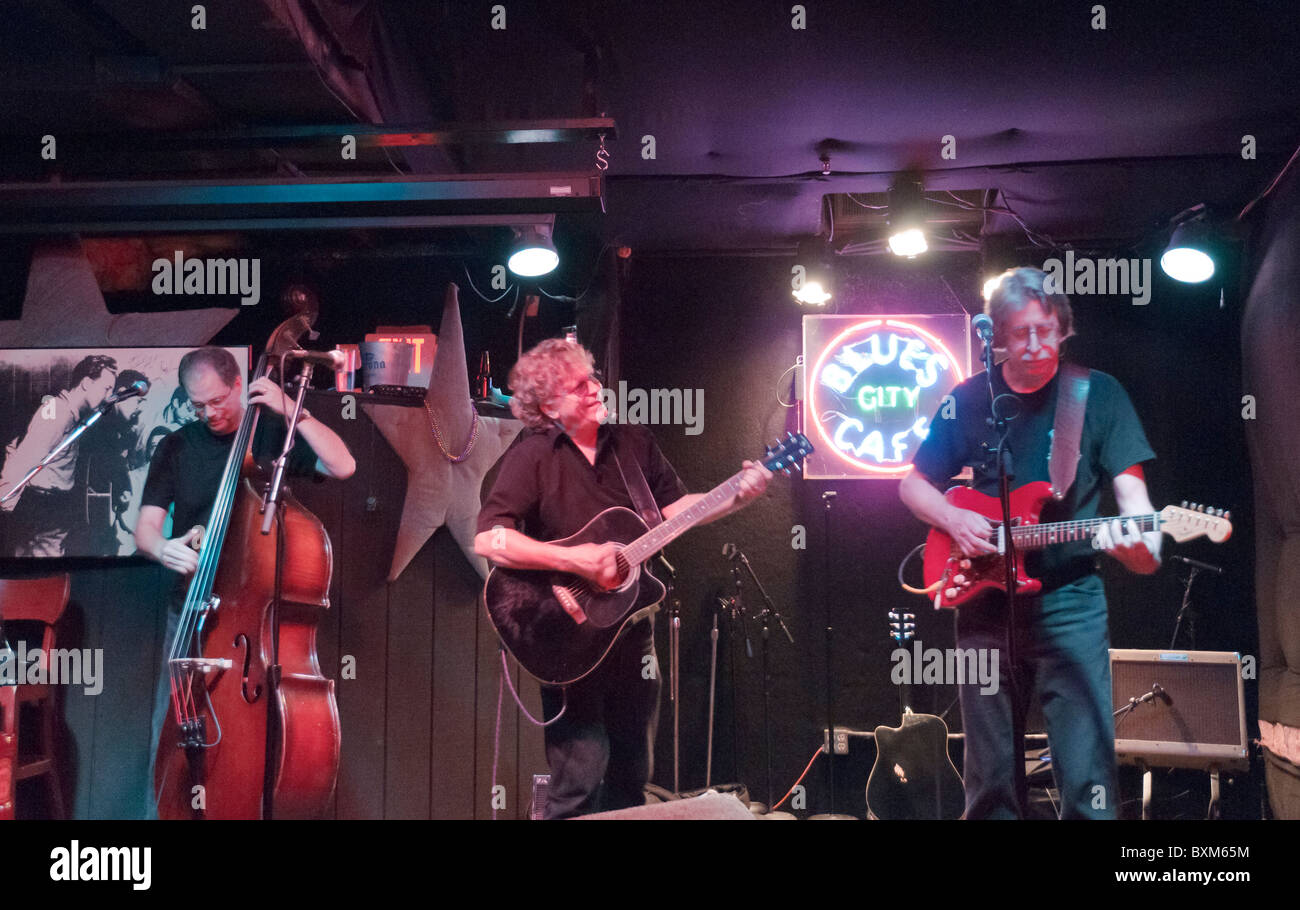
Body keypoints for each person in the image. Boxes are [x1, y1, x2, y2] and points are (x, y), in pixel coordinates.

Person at [898, 267, 1160, 819]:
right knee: (989, 776)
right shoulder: (969, 398)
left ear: (1063, 328)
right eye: (1020, 333)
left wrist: (1136, 541)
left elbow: (1136, 507)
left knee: (1087, 767)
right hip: (984, 604)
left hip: (1071, 602)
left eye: (1046, 330)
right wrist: (951, 516)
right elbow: (913, 483)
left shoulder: (1097, 395)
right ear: (995, 335)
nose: (1036, 345)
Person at [475, 339, 771, 819]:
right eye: (578, 386)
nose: (594, 389)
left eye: (592, 378)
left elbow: (673, 513)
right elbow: (490, 540)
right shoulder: (533, 456)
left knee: (633, 774)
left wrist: (737, 496)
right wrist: (576, 562)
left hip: (634, 632)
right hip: (565, 633)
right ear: (550, 406)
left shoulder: (633, 443)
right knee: (578, 777)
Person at [135, 346, 355, 817]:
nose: (209, 413)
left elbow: (343, 466)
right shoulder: (175, 447)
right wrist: (163, 548)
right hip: (191, 609)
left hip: (249, 618)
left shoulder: (274, 434)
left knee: (249, 737)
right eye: (197, 406)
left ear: (239, 385)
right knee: (171, 728)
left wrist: (293, 410)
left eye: (216, 401)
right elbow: (145, 532)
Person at [0, 354, 118, 556]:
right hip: (40, 507)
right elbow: (24, 460)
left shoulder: (72, 414)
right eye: (106, 388)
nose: (108, 396)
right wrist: (6, 507)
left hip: (54, 506)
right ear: (87, 383)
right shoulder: (56, 411)